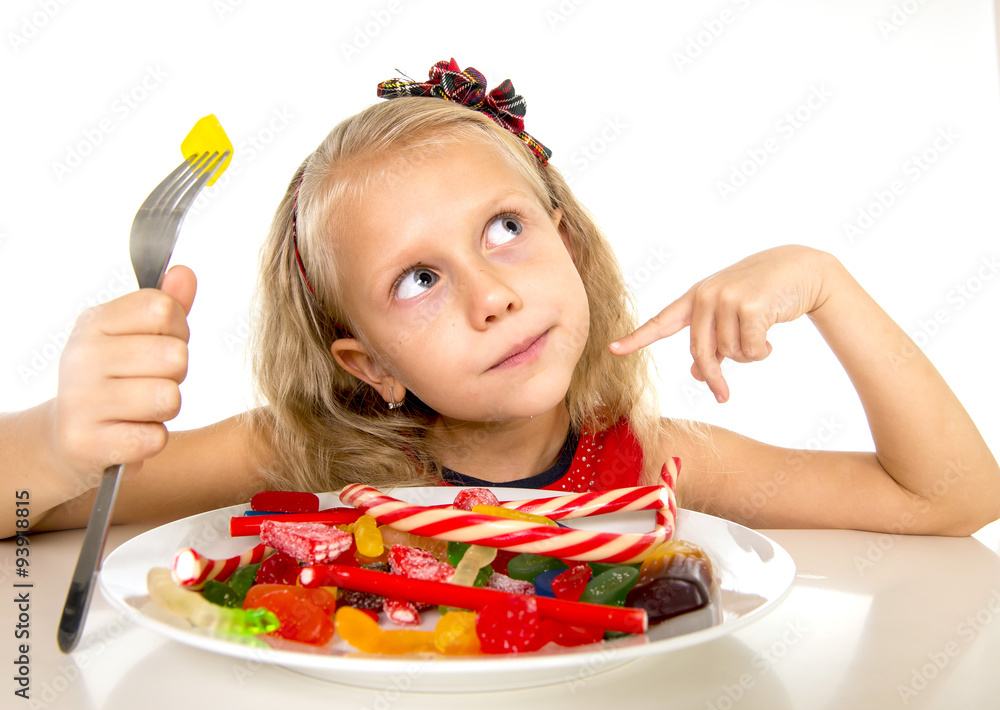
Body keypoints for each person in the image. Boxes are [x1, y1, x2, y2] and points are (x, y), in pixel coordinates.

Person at [2, 59, 998, 540]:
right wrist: (58, 440)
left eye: (507, 230)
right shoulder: (303, 455)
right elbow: (22, 515)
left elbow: (952, 497)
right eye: (420, 280)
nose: (491, 297)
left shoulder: (644, 462)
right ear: (371, 366)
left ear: (564, 238)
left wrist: (827, 281)